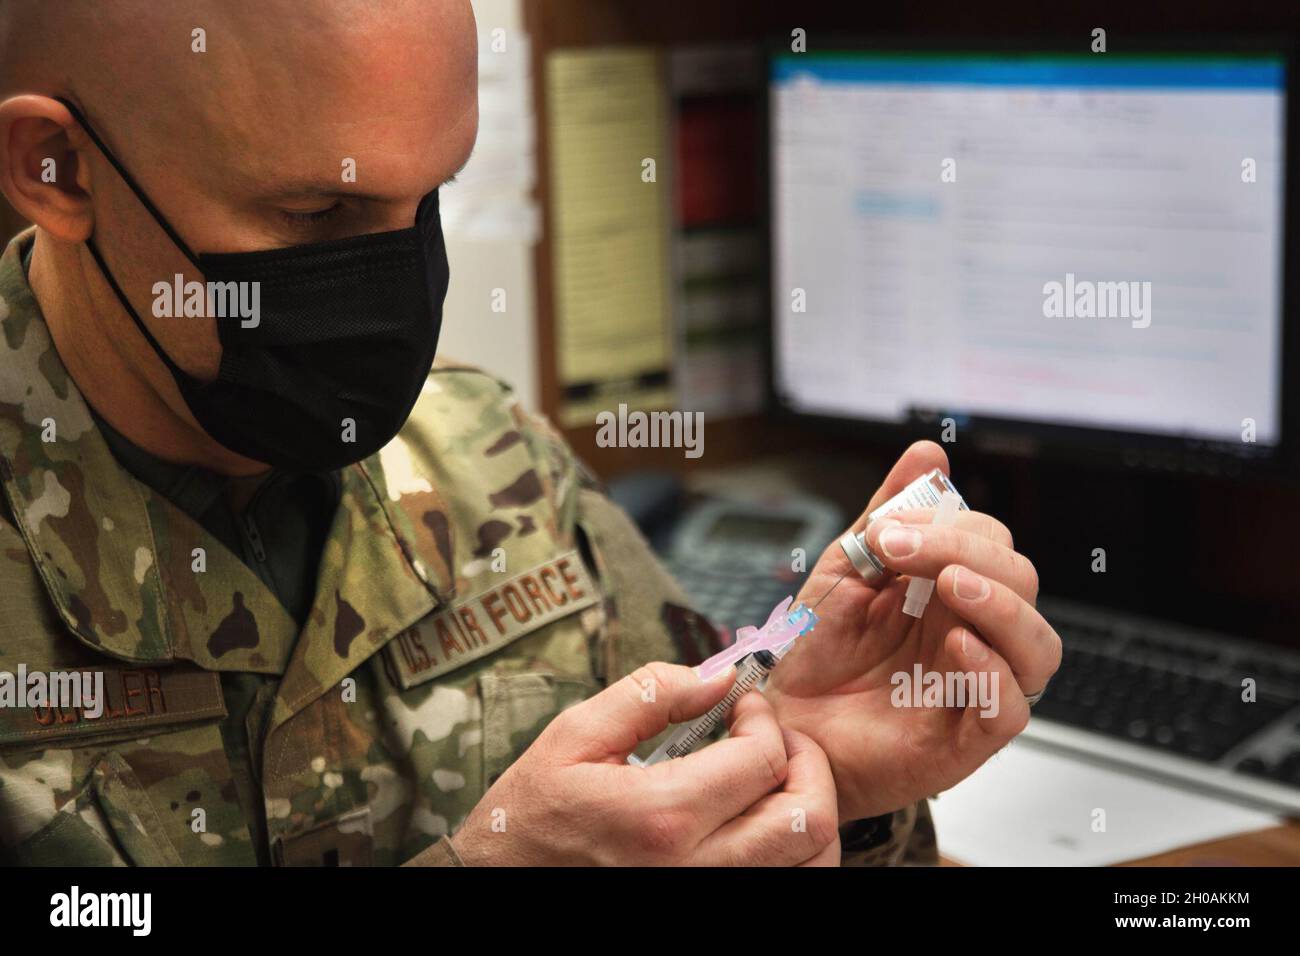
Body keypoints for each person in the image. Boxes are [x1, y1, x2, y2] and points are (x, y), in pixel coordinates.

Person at [0, 0, 1060, 866]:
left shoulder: (491, 459)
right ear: (56, 168)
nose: (394, 284)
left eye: (431, 200)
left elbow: (717, 804)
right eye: (318, 213)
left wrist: (813, 780)